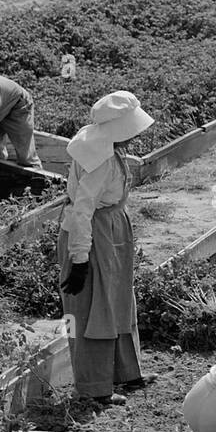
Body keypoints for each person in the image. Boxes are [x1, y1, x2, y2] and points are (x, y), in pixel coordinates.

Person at [58, 91, 156, 408]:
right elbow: (82, 211)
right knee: (92, 309)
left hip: (111, 231)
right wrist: (80, 258)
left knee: (118, 299)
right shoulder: (98, 160)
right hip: (91, 236)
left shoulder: (107, 148)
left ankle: (127, 372)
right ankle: (94, 387)